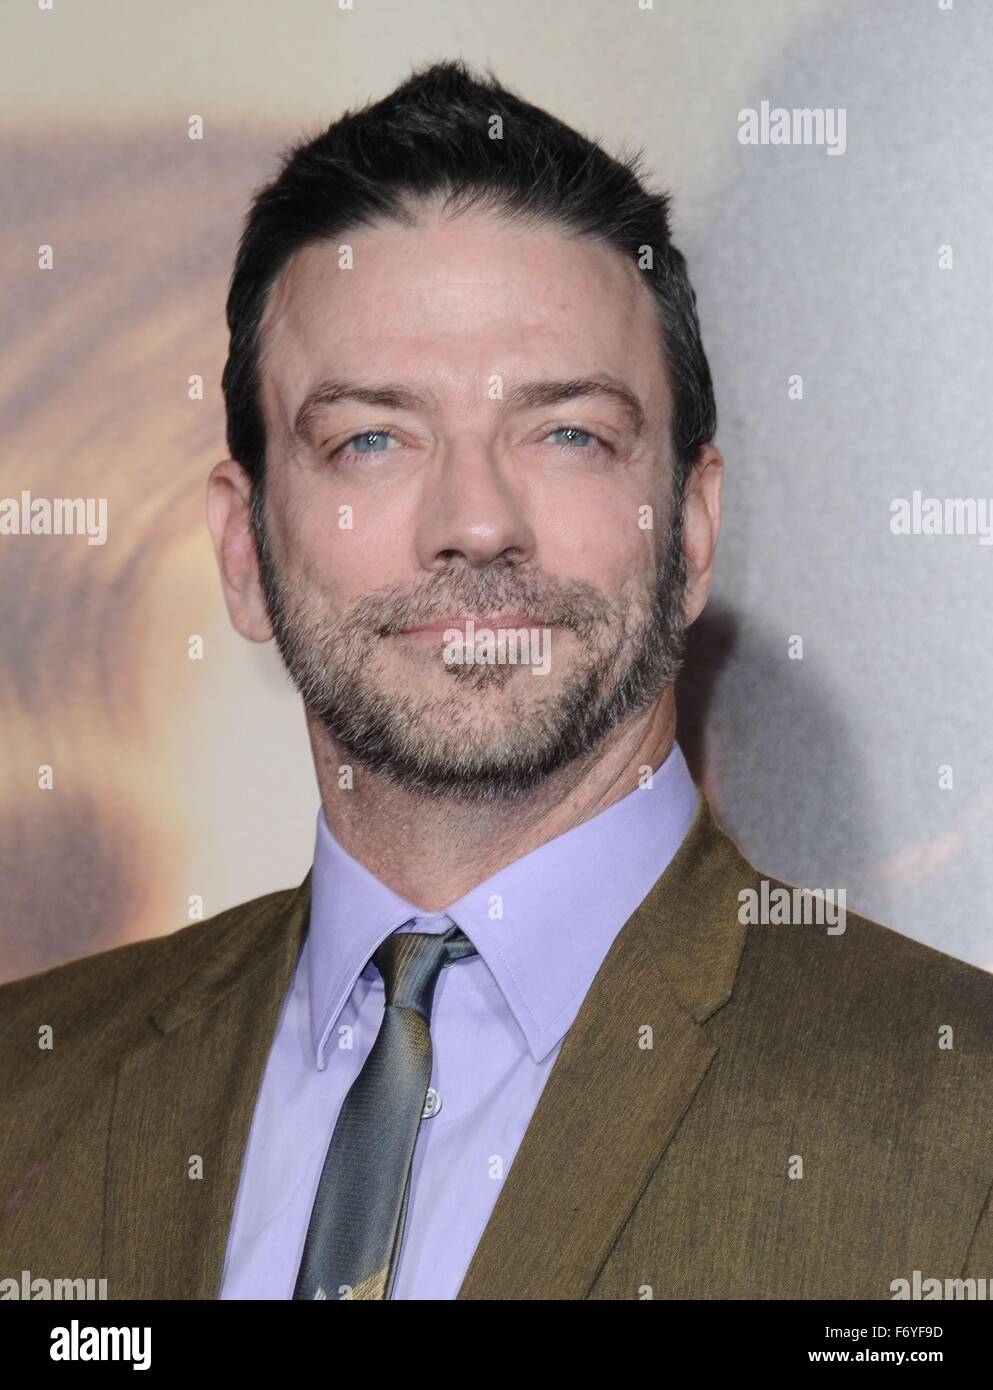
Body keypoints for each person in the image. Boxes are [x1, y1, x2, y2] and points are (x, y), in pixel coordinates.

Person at [2, 58, 992, 1303]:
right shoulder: (24, 1104)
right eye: (371, 437)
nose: (475, 521)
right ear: (243, 550)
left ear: (690, 529)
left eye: (567, 431)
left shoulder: (964, 1128)